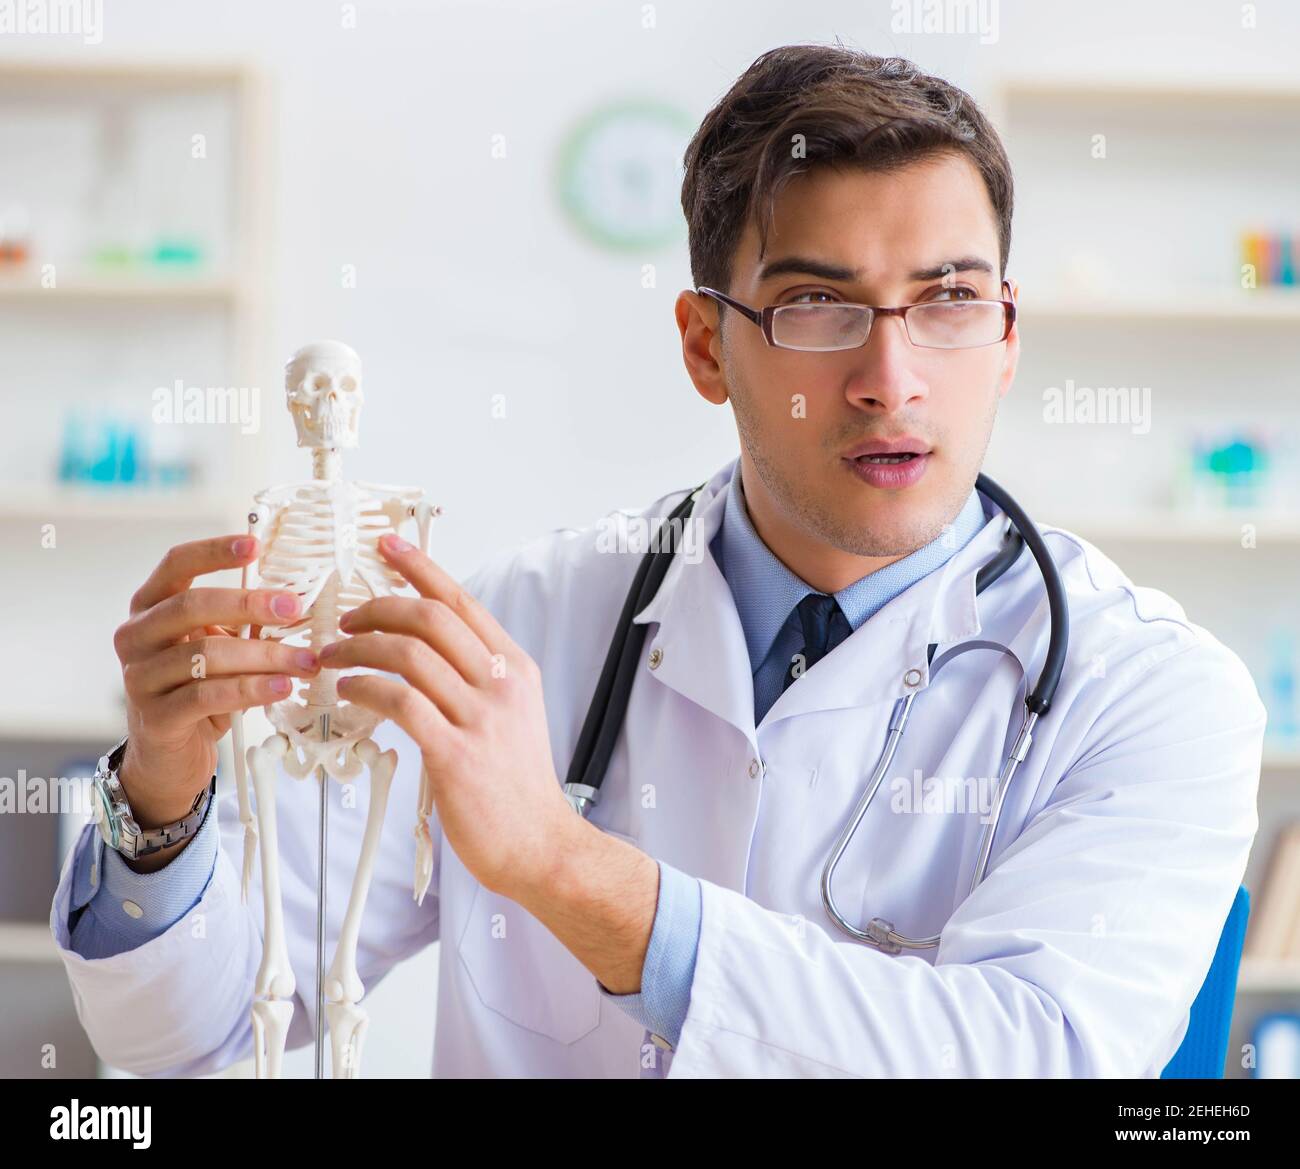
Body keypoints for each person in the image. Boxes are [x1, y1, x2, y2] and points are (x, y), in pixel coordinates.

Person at [51, 44, 1265, 1078]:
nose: (890, 377)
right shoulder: (515, 624)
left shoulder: (1147, 688)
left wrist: (561, 863)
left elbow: (1029, 1055)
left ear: (1004, 336)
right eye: (816, 305)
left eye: (946, 301)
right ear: (703, 344)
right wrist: (164, 795)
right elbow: (188, 1035)